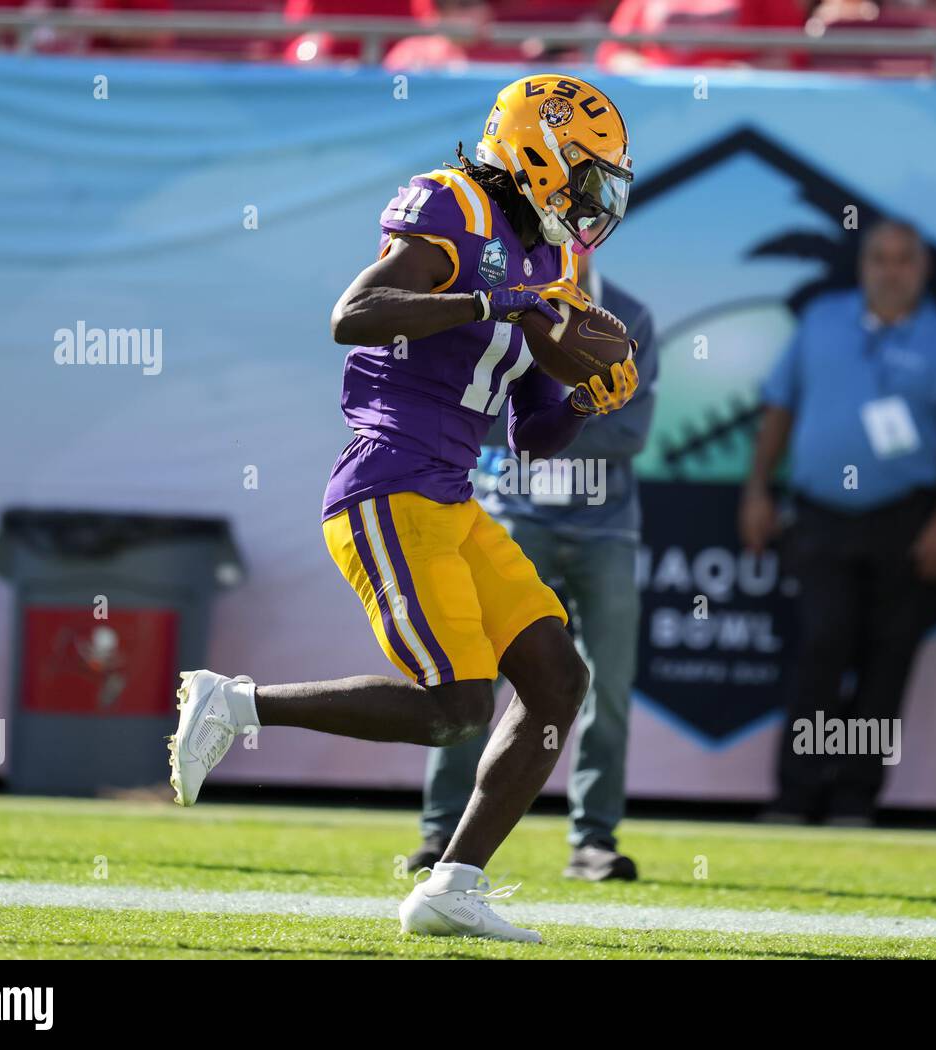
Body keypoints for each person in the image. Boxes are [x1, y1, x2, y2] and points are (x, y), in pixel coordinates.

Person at [167, 74, 639, 943]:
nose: (590, 194)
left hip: (453, 493)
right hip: (388, 478)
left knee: (556, 680)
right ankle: (233, 705)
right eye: (583, 170)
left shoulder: (556, 260)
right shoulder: (451, 202)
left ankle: (453, 883)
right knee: (453, 708)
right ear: (538, 149)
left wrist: (582, 401)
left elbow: (529, 435)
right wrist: (490, 299)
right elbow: (355, 313)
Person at [405, 256, 658, 882]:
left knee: (609, 683)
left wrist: (545, 418)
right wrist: (576, 406)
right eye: (557, 228)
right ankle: (441, 833)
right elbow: (474, 416)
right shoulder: (509, 300)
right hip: (514, 518)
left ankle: (593, 841)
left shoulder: (632, 316)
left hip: (606, 527)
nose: (570, 242)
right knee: (473, 672)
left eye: (582, 231)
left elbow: (632, 435)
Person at [740, 219, 936, 824]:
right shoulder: (822, 321)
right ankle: (794, 797)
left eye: (904, 259)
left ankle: (855, 801)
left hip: (907, 522)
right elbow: (779, 407)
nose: (890, 269)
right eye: (879, 257)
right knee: (822, 646)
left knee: (887, 663)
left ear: (922, 269)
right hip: (821, 517)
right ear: (863, 264)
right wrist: (756, 490)